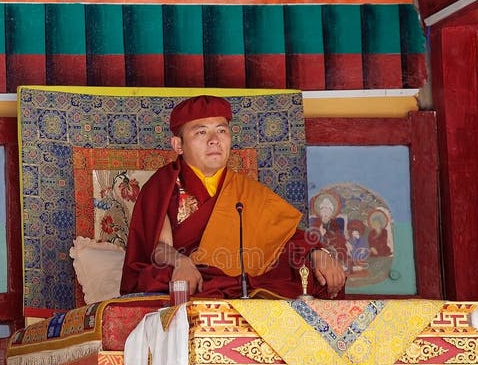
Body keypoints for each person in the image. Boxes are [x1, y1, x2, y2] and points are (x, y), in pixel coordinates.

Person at [120, 94, 346, 299]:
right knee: (159, 277)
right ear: (178, 144)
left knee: (311, 274)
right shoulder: (164, 185)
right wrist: (182, 262)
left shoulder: (244, 189)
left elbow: (284, 237)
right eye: (201, 132)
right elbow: (159, 249)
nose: (214, 140)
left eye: (221, 130)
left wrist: (318, 253)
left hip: (242, 279)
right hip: (194, 275)